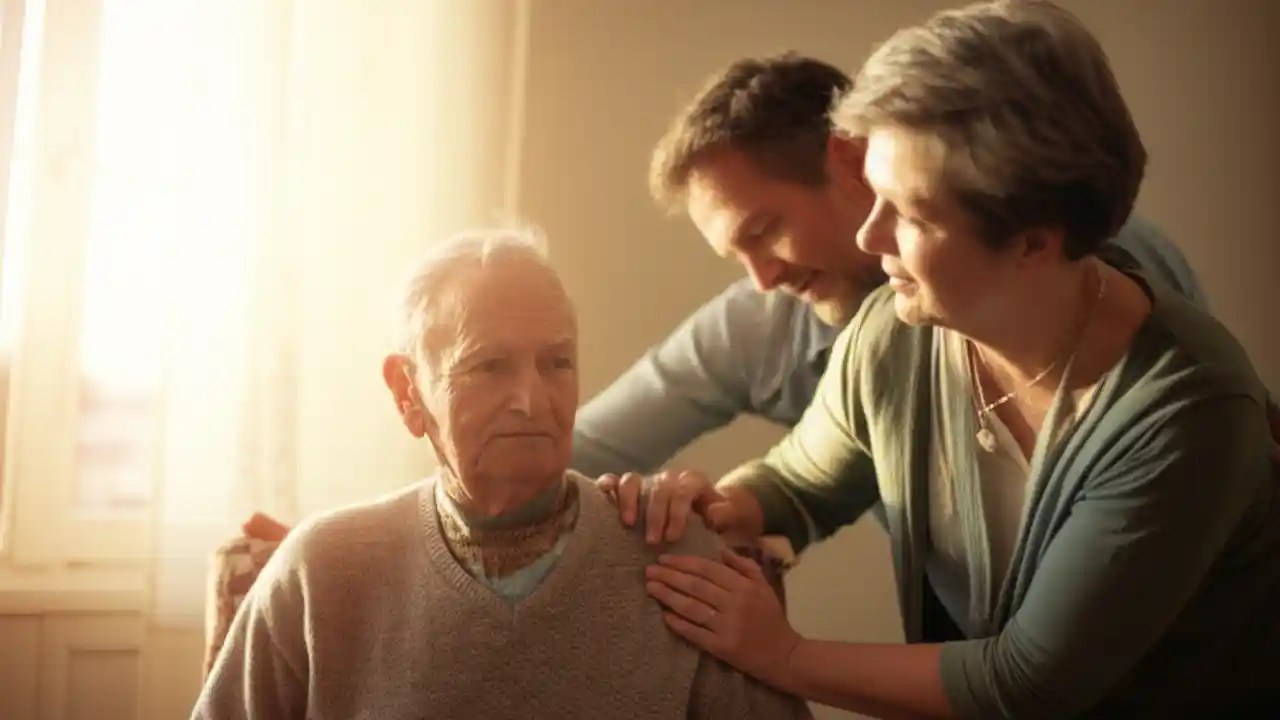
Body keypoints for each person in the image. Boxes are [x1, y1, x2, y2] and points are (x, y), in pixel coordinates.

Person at [618, 1, 1280, 717]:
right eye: (875, 197)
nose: (871, 237)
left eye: (909, 213)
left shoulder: (1191, 413)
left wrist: (783, 655)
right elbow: (801, 482)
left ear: (1033, 241)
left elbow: (1027, 683)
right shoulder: (892, 334)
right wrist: (722, 508)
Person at [192, 230, 812, 719]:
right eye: (489, 366)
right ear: (407, 391)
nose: (532, 400)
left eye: (556, 363)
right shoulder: (319, 570)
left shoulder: (679, 558)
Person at [572, 51, 1220, 483]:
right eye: (736, 255)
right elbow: (576, 455)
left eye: (765, 232)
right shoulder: (769, 321)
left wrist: (782, 646)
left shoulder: (1089, 259)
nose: (762, 279)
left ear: (853, 164)